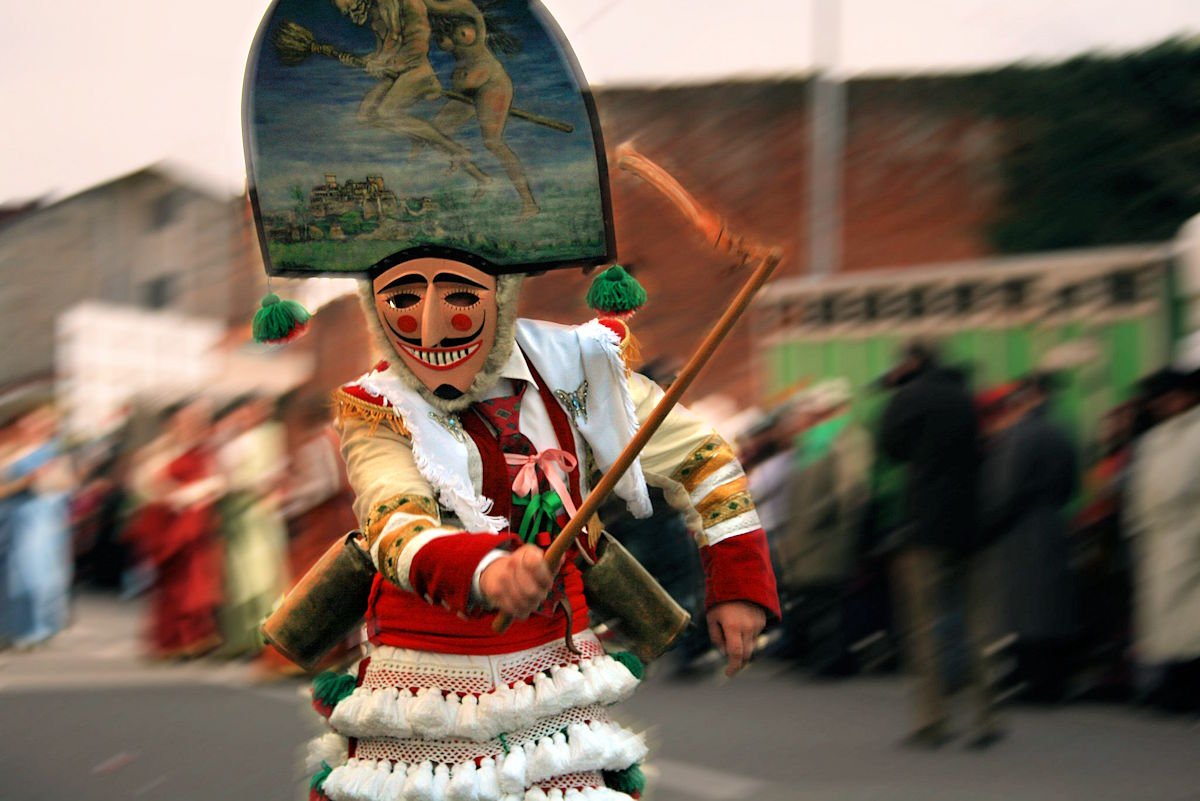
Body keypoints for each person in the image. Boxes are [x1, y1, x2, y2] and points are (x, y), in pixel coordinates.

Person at [878, 341, 1001, 748]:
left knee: (924, 628)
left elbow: (889, 447)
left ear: (911, 362)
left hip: (925, 526)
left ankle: (934, 721)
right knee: (978, 624)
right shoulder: (965, 396)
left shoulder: (910, 396)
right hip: (971, 523)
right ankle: (987, 718)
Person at [984, 376, 1079, 704]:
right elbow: (1071, 485)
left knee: (1026, 608)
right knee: (1052, 604)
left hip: (1022, 529)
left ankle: (1033, 682)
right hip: (1053, 520)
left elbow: (1005, 489)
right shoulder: (1062, 431)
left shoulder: (1018, 435)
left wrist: (991, 522)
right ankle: (1054, 680)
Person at [333, 0, 490, 186]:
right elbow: (382, 54)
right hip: (398, 73)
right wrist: (362, 61)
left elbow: (411, 45)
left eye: (351, 8)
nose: (351, 15)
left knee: (386, 113)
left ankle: (454, 149)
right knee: (365, 115)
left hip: (417, 70)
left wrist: (383, 63)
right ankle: (458, 156)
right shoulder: (377, 14)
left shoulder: (401, 4)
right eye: (346, 12)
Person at [774, 380, 873, 674]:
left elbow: (851, 489)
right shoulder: (817, 442)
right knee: (815, 597)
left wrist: (824, 519)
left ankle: (834, 658)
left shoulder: (846, 440)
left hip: (826, 534)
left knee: (828, 597)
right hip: (810, 534)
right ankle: (819, 654)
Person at [125, 399, 226, 660]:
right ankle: (170, 640)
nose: (193, 426)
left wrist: (194, 494)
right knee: (170, 585)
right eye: (186, 420)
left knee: (196, 582)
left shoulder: (204, 453)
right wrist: (170, 495)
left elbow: (218, 482)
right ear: (171, 423)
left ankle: (196, 637)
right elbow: (144, 485)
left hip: (195, 524)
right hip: (166, 525)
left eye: (197, 420)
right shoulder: (157, 452)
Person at [1125, 368, 1200, 714]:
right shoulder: (1157, 438)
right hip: (1160, 540)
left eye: (1168, 398)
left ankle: (1185, 690)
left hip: (1187, 539)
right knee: (1166, 621)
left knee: (1189, 622)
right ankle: (1170, 687)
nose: (1161, 406)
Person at [428, 0, 540, 218]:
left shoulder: (464, 8)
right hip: (465, 89)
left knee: (492, 142)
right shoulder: (434, 20)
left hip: (490, 82)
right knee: (435, 132)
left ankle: (529, 204)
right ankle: (481, 178)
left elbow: (438, 6)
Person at [214, 396, 291, 658]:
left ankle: (267, 639)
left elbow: (281, 471)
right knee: (242, 579)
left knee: (267, 578)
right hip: (241, 517)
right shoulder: (233, 443)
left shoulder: (274, 437)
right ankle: (245, 639)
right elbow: (226, 479)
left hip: (265, 516)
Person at [2, 407, 75, 649]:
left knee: (34, 573)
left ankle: (34, 628)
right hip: (8, 516)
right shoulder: (7, 453)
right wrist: (25, 481)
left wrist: (47, 479)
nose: (31, 430)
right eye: (26, 425)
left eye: (38, 425)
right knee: (7, 576)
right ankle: (8, 629)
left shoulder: (53, 454)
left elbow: (65, 484)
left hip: (39, 519)